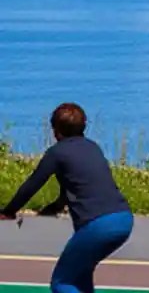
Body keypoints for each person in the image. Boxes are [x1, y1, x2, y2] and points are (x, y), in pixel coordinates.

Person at [0, 103, 134, 293]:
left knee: (62, 283)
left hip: (97, 225)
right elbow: (76, 183)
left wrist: (8, 211)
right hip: (123, 219)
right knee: (80, 276)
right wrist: (55, 207)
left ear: (55, 131)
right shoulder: (92, 147)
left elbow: (32, 185)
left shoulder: (57, 152)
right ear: (84, 127)